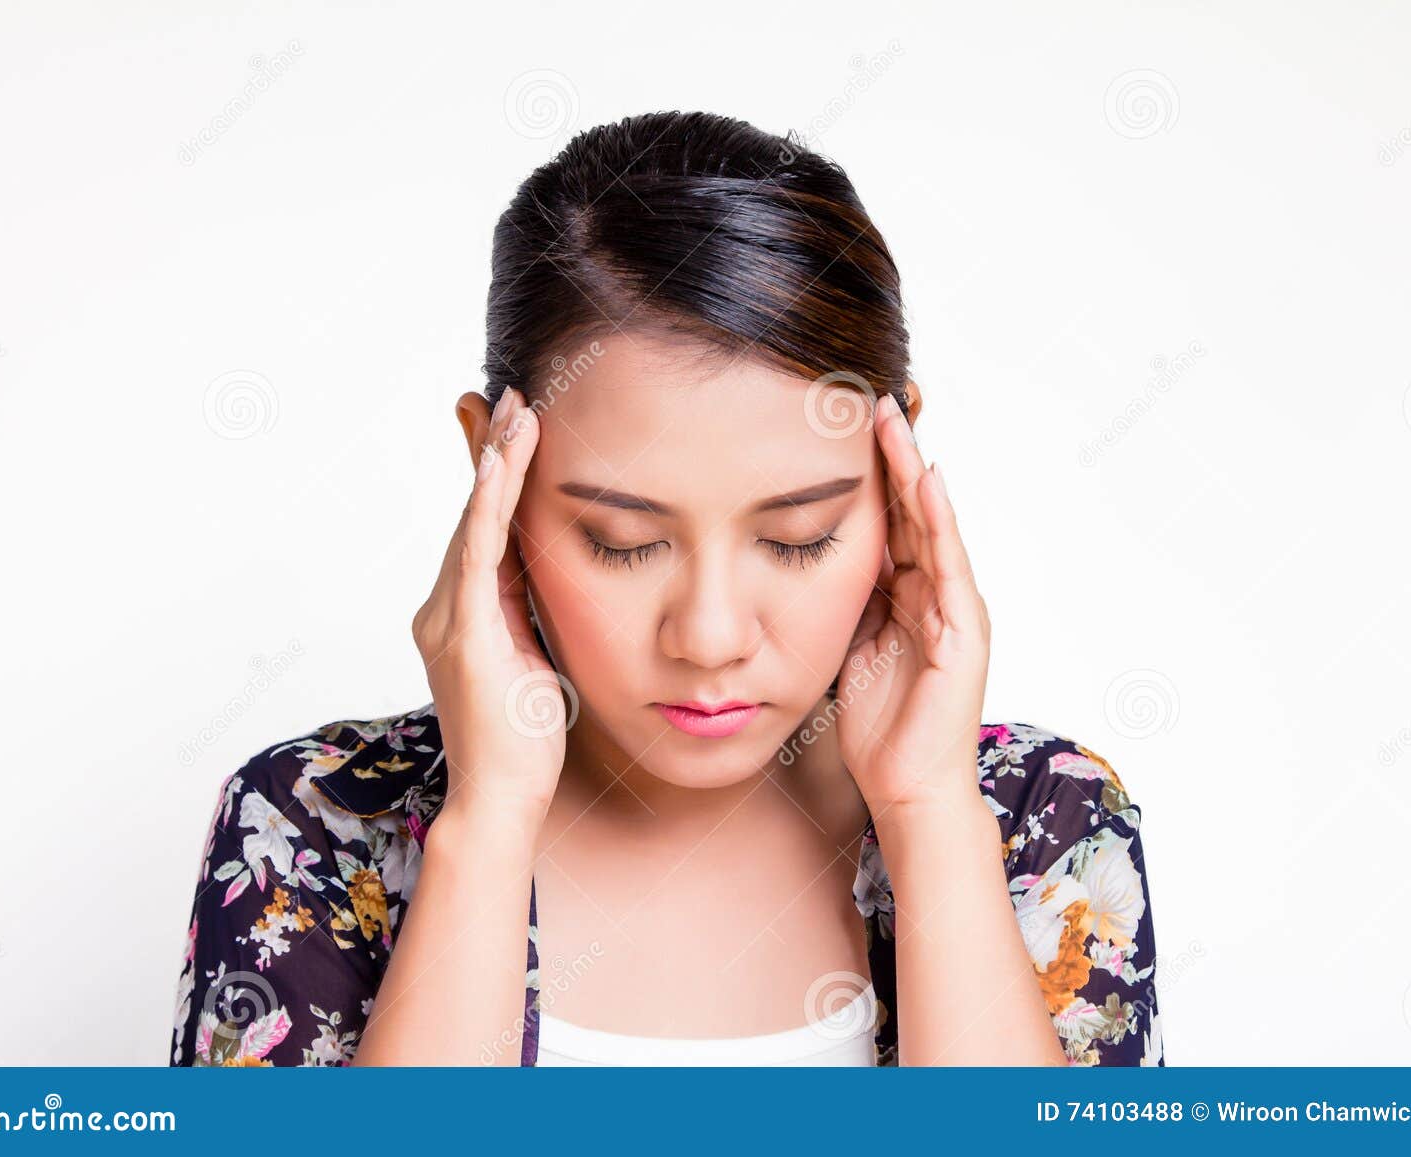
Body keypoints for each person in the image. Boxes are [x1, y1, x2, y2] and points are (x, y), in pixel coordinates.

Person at [169, 110, 1163, 1068]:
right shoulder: (309, 828)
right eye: (623, 541)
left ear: (896, 478)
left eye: (797, 536)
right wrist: (487, 817)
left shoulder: (1045, 823)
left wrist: (929, 812)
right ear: (493, 474)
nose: (712, 634)